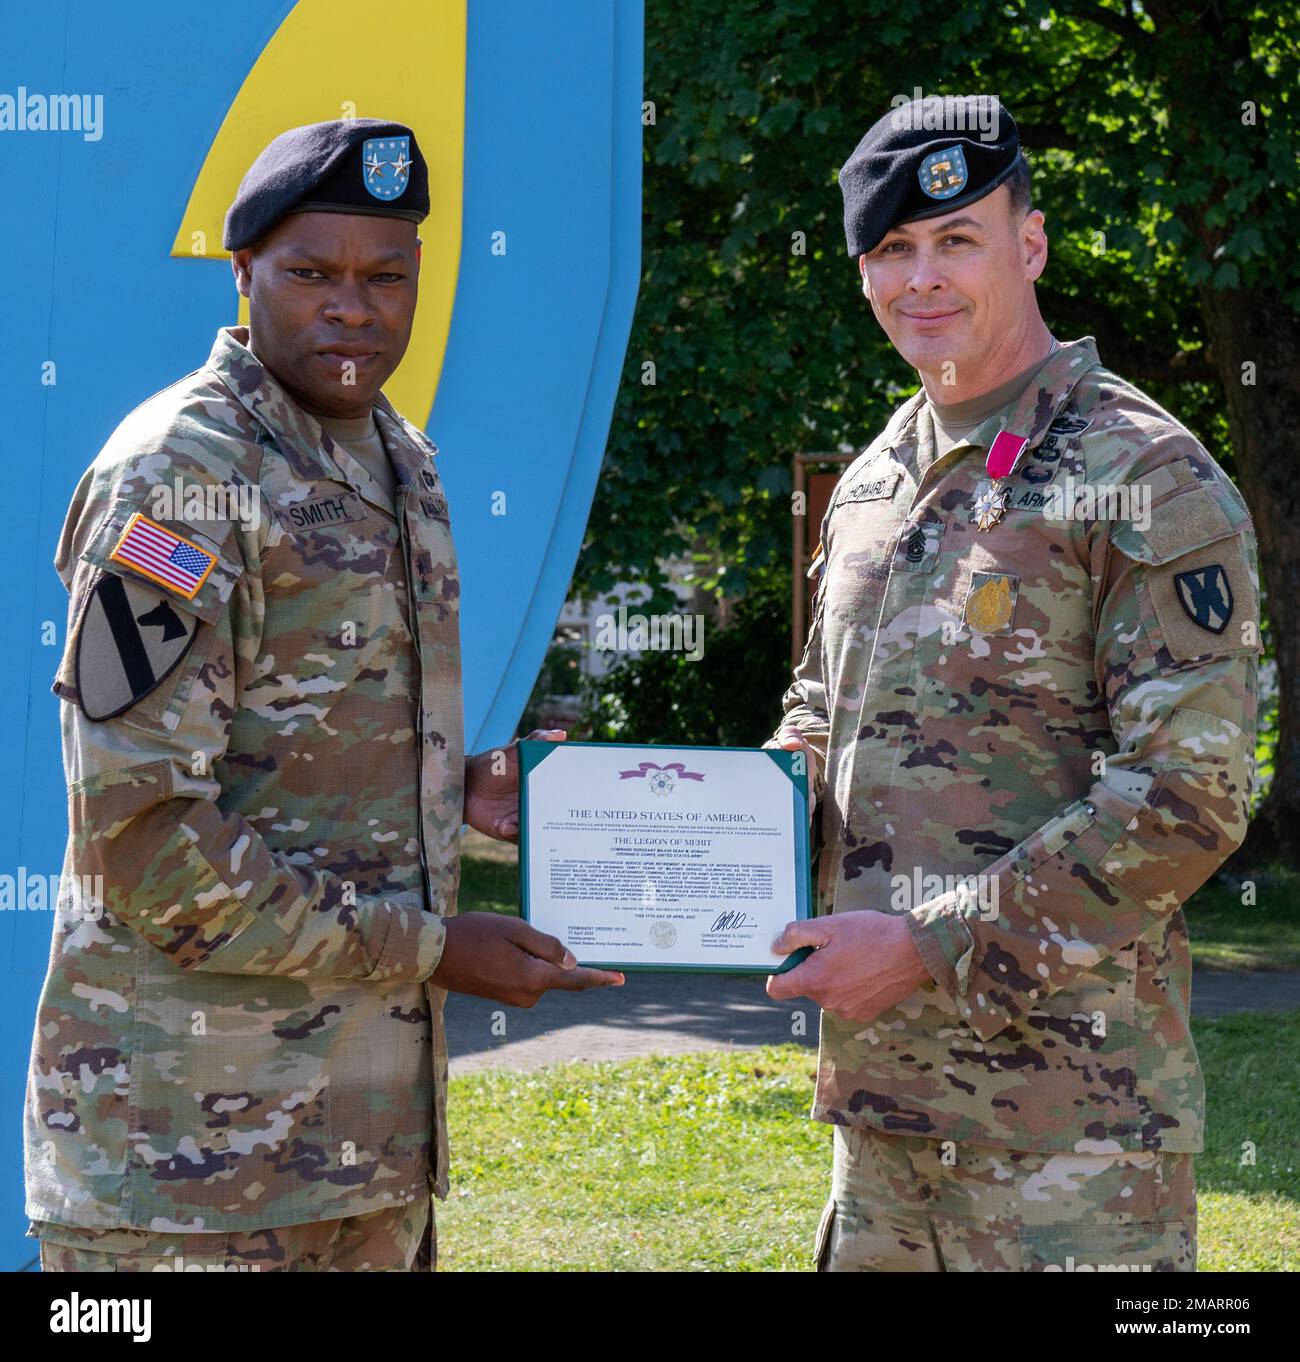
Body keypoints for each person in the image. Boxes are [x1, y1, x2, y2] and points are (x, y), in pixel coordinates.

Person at [25, 118, 622, 1273]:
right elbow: (144, 842)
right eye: (310, 273)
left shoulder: (393, 458)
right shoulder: (183, 476)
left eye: (384, 276)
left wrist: (457, 785)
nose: (351, 307)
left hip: (360, 1158)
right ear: (242, 273)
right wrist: (432, 948)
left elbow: (306, 744)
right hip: (190, 1172)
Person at [767, 95, 1260, 1272]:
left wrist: (929, 949)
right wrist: (694, 826)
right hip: (883, 1127)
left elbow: (1189, 795)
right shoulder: (876, 477)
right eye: (890, 250)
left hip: (1072, 1147)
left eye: (956, 240)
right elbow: (817, 712)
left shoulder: (1140, 472)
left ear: (1027, 247)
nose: (920, 278)